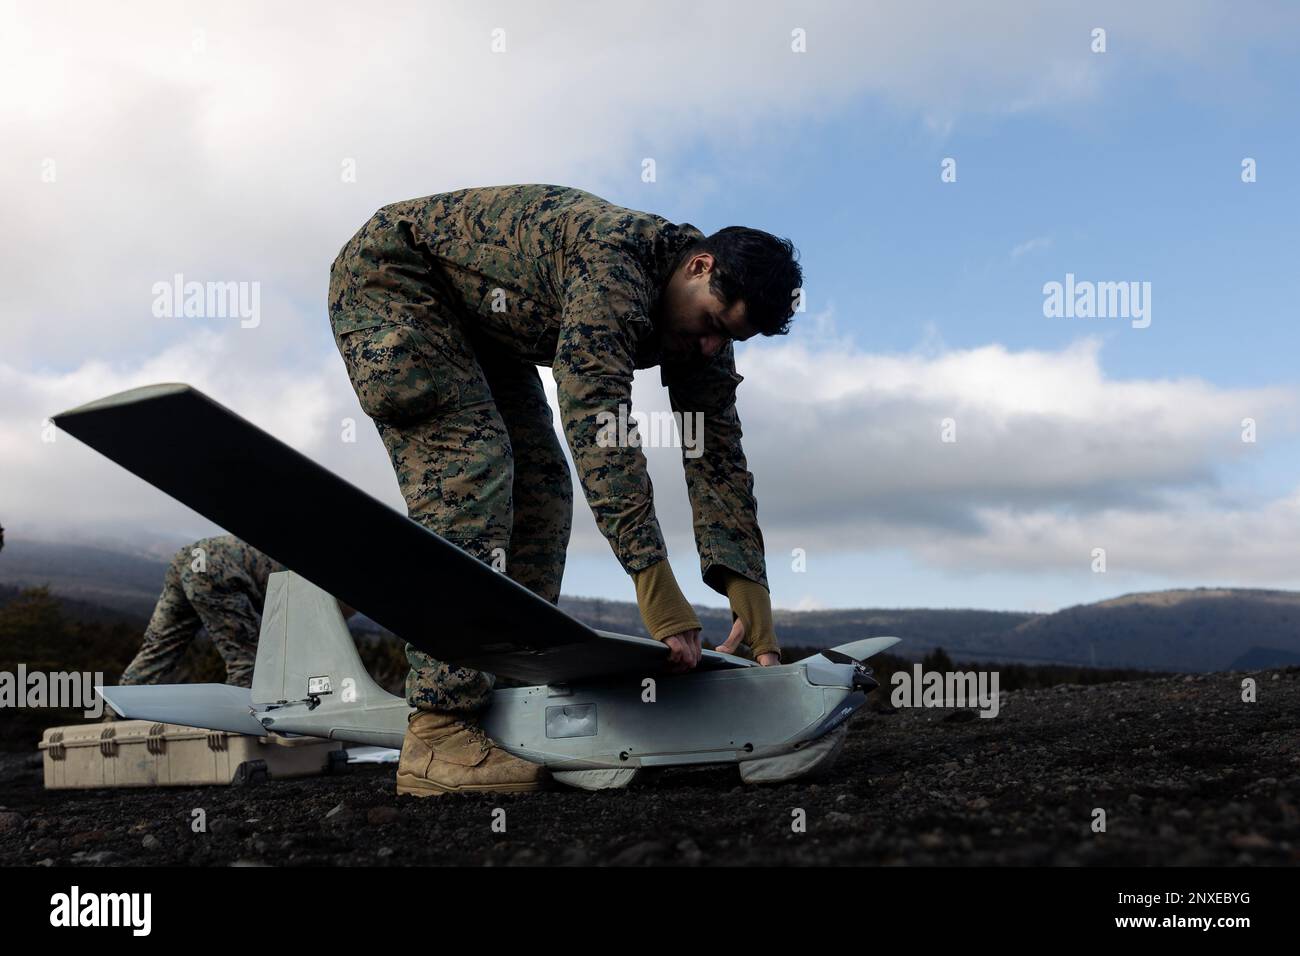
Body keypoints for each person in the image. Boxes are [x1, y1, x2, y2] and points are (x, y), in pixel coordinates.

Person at [329, 185, 801, 796]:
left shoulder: (701, 328)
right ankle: (438, 730)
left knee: (543, 490)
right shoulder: (615, 267)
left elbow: (717, 456)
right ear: (699, 266)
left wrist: (750, 595)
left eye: (730, 337)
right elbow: (600, 423)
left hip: (484, 324)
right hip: (395, 282)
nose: (711, 346)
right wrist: (656, 588)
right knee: (473, 472)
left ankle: (499, 705)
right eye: (712, 324)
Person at [117, 535, 284, 690]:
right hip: (218, 567)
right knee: (248, 663)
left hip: (188, 557)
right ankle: (241, 710)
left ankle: (117, 708)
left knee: (157, 650)